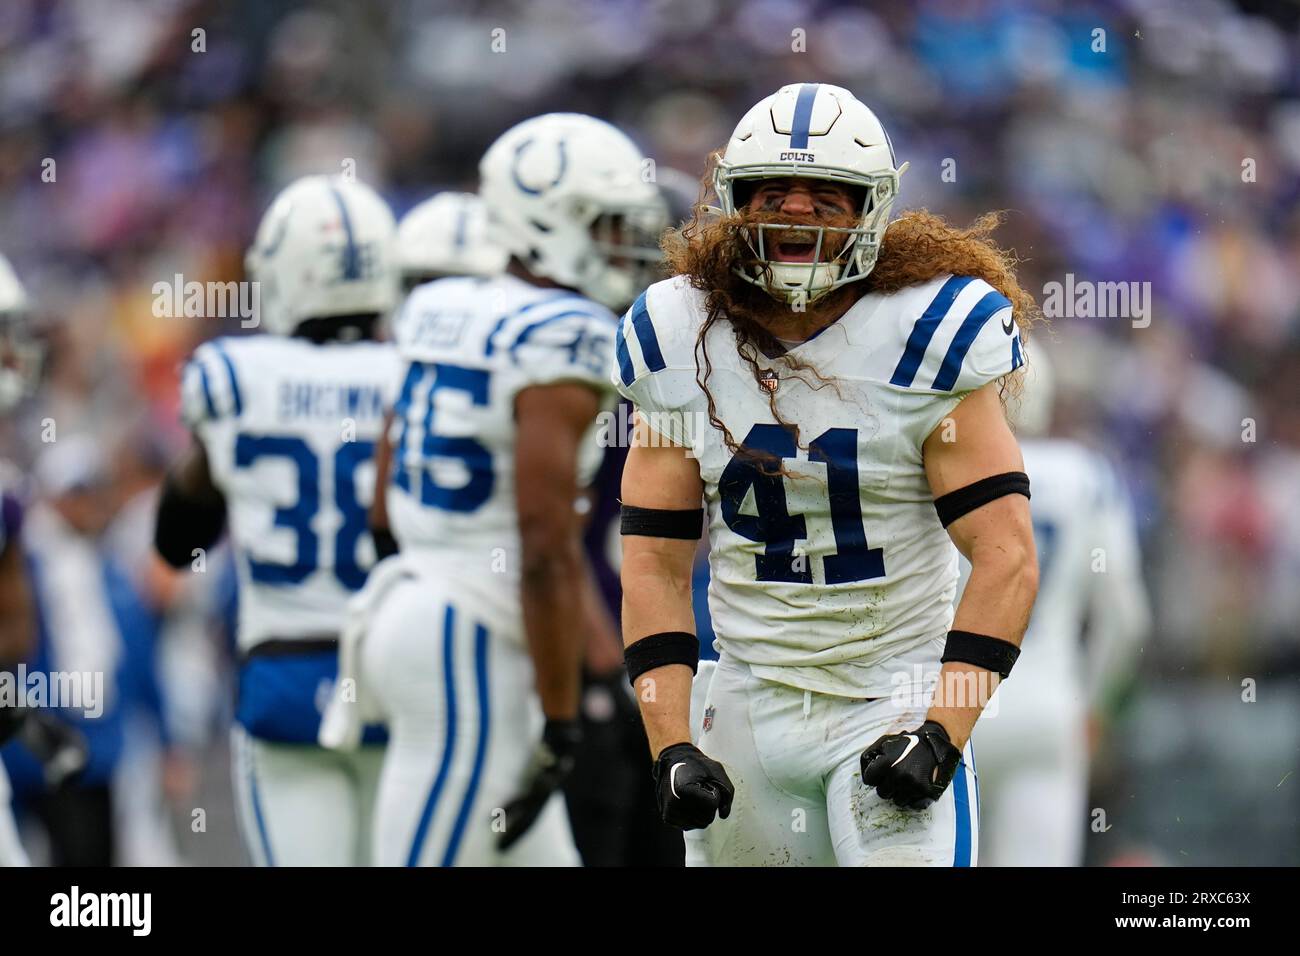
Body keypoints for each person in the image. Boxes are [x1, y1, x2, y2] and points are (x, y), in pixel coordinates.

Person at [614, 83, 1039, 866]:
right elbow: (654, 561)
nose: (797, 212)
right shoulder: (677, 334)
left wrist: (941, 733)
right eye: (774, 191)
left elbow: (1007, 554)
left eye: (826, 195)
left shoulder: (931, 331)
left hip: (890, 699)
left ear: (870, 208)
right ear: (733, 204)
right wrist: (669, 743)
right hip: (743, 706)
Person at [348, 112, 664, 866]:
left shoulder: (439, 306)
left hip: (411, 605)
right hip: (472, 634)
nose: (625, 243)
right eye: (606, 224)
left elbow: (382, 502)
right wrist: (562, 716)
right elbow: (545, 547)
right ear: (545, 221)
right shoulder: (566, 332)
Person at [153, 175, 401, 866]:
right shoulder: (418, 369)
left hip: (286, 679)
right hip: (401, 680)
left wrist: (215, 453)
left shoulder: (234, 375)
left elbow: (177, 542)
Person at [967, 350, 1151, 866]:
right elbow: (1128, 617)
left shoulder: (952, 465)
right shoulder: (1088, 476)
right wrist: (1094, 705)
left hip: (958, 709)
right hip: (1049, 710)